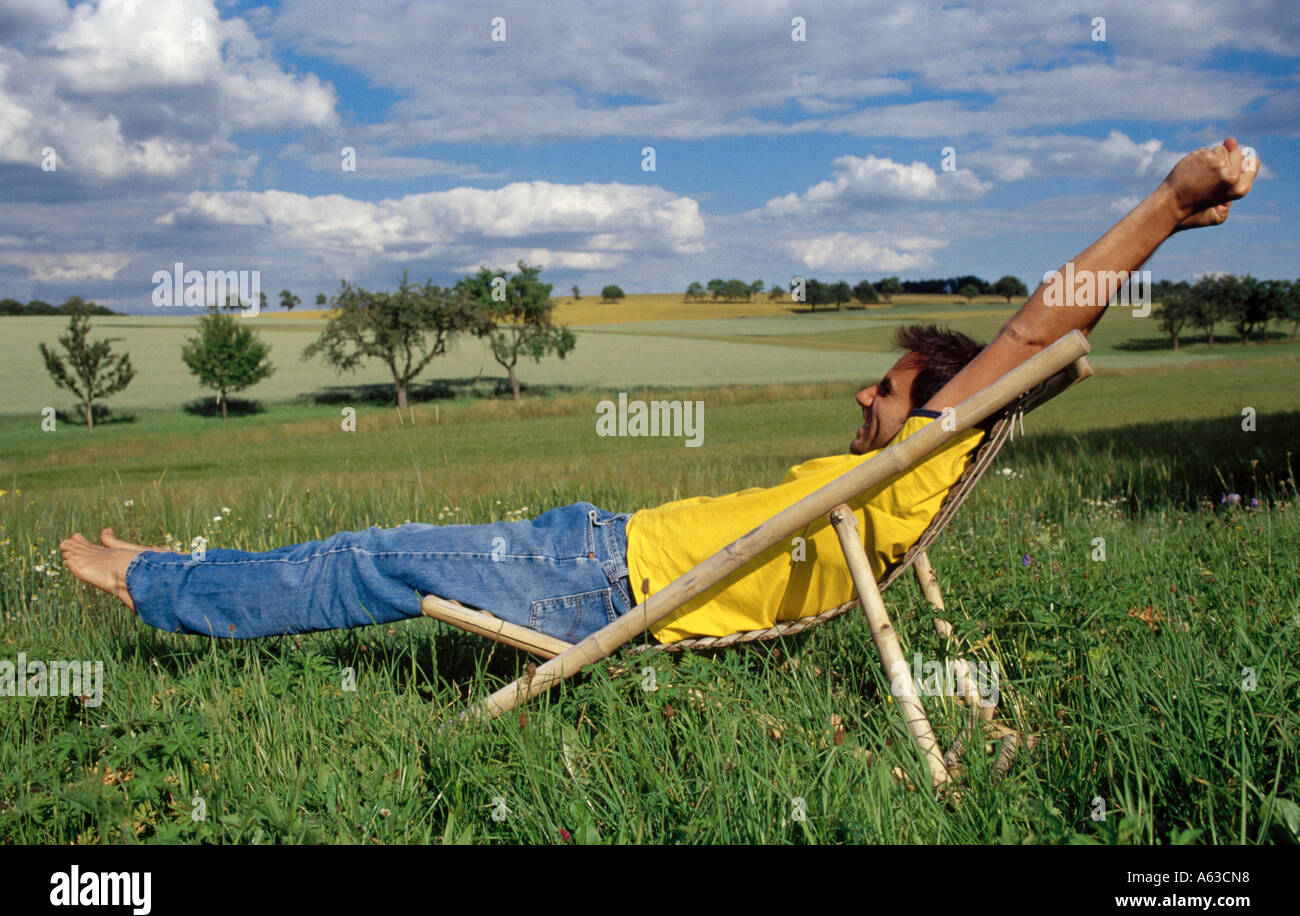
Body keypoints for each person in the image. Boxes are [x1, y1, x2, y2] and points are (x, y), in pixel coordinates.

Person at [59, 138, 1258, 646]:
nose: (864, 395)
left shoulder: (927, 454)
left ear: (945, 410)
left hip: (594, 578)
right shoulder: (900, 475)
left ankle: (157, 585)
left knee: (372, 554)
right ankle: (179, 570)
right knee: (374, 548)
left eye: (891, 391)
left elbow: (1037, 323)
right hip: (593, 546)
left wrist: (1164, 200)